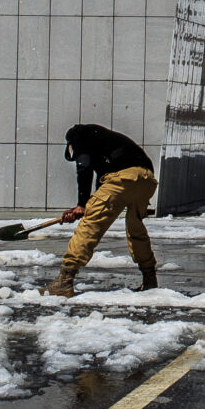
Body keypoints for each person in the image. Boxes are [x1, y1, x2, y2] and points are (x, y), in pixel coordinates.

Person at [49, 122, 159, 297]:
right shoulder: (105, 142)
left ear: (70, 145)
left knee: (90, 226)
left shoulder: (80, 135)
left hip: (122, 177)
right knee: (135, 228)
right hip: (146, 179)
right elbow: (103, 185)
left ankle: (65, 281)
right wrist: (84, 206)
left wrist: (82, 205)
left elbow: (84, 167)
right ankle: (150, 280)